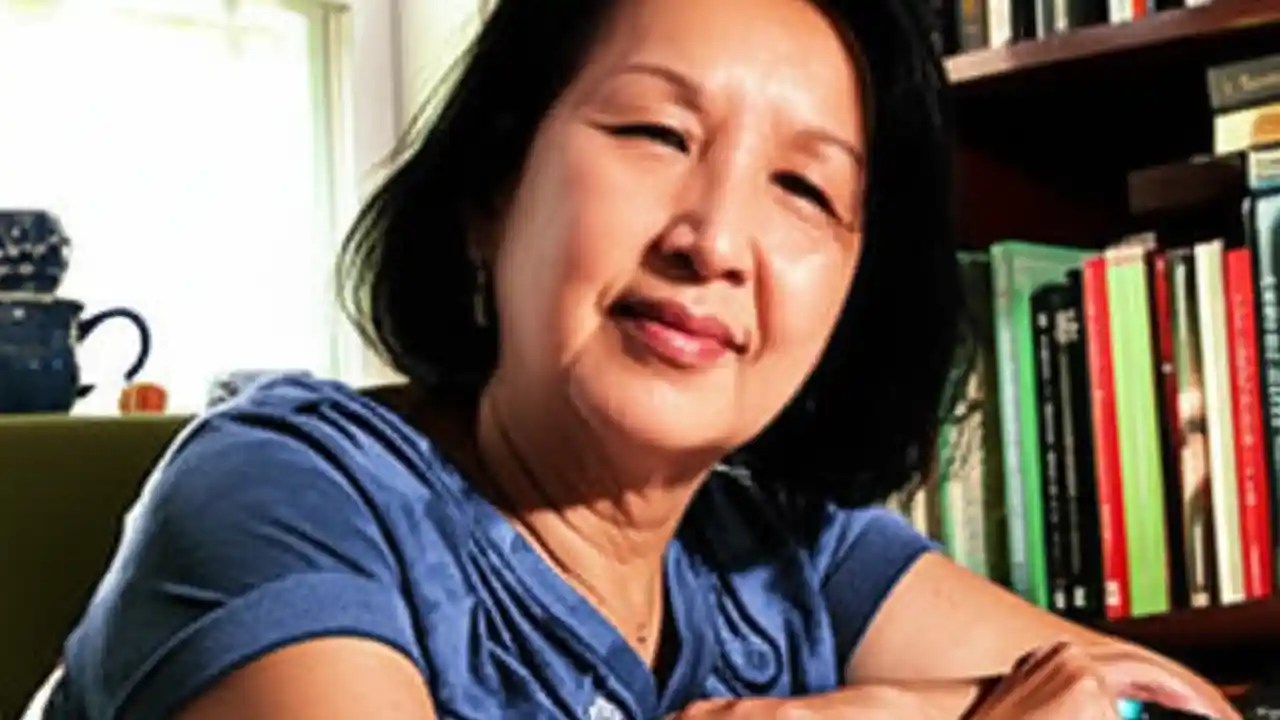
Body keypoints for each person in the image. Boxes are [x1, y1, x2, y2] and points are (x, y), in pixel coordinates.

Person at [36, 0, 1241, 718]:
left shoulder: (786, 561)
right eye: (655, 132)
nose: (712, 240)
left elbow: (1160, 710)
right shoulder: (284, 494)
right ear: (492, 188)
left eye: (803, 188)